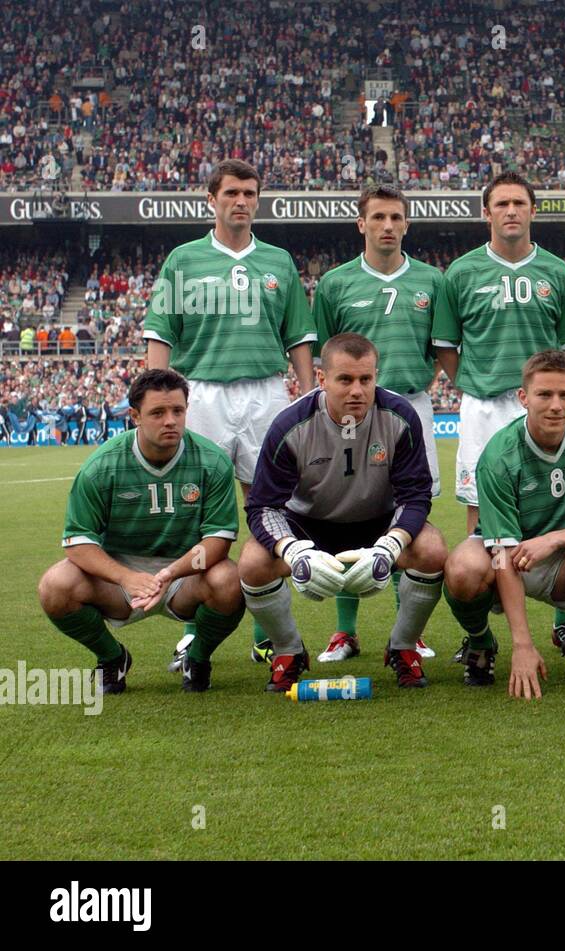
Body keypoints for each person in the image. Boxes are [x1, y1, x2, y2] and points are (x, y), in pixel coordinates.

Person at [143, 158, 317, 666]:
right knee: (200, 512)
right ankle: (195, 630)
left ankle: (271, 631)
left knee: (271, 512)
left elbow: (299, 337)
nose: (241, 201)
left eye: (250, 193)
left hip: (266, 393)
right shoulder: (183, 259)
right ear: (212, 199)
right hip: (202, 394)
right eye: (232, 193)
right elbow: (161, 333)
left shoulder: (279, 261)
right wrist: (158, 396)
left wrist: (307, 396)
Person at [238, 334, 447, 692]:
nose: (357, 390)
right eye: (345, 380)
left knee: (433, 548)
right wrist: (292, 550)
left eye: (366, 379)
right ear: (322, 380)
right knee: (252, 561)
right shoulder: (290, 424)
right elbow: (263, 506)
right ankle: (289, 651)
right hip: (309, 526)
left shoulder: (400, 415)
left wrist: (392, 546)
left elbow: (415, 497)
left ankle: (403, 647)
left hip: (379, 524)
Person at [36, 369, 246, 693]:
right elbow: (78, 543)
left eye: (178, 411)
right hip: (120, 575)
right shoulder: (101, 466)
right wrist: (126, 577)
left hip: (184, 574)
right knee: (55, 586)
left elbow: (217, 541)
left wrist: (171, 572)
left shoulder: (213, 462)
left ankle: (198, 657)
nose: (170, 421)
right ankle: (112, 658)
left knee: (230, 581)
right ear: (135, 416)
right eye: (158, 413)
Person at [441, 349, 565, 699]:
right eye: (544, 394)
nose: (556, 405)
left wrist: (554, 539)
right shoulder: (499, 454)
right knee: (461, 568)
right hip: (504, 558)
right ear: (523, 398)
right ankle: (482, 644)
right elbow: (503, 553)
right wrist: (523, 645)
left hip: (563, 562)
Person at [310, 183, 445, 664]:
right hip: (351, 409)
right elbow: (324, 354)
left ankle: (408, 630)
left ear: (406, 224)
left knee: (412, 513)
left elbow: (442, 348)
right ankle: (345, 632)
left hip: (411, 406)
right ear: (361, 224)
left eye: (396, 218)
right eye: (379, 217)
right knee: (345, 510)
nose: (388, 226)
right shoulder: (335, 284)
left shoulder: (433, 281)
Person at [434, 172, 565, 535]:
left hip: (541, 405)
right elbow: (445, 345)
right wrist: (472, 382)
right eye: (502, 204)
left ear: (533, 211)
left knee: (549, 502)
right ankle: (483, 588)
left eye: (518, 203)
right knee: (479, 507)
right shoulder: (461, 273)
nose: (511, 211)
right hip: (483, 406)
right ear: (487, 213)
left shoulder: (557, 272)